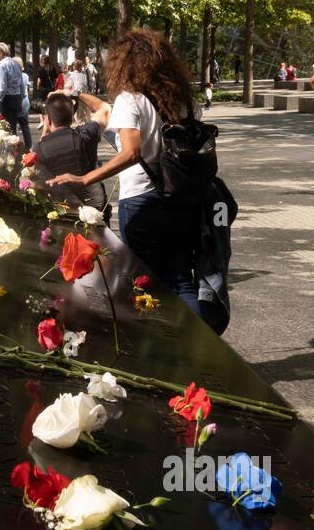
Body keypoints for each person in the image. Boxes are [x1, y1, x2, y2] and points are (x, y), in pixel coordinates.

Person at [47, 27, 229, 333]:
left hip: (143, 202)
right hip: (181, 199)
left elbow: (131, 152)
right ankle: (197, 347)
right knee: (180, 277)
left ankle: (152, 345)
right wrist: (75, 95)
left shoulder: (131, 100)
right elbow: (104, 111)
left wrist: (85, 177)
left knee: (137, 280)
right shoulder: (182, 101)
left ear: (124, 63)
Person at [36, 92, 109, 216]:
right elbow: (105, 109)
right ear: (71, 116)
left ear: (47, 120)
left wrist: (45, 129)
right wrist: (76, 93)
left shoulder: (39, 149)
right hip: (95, 211)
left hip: (64, 213)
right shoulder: (86, 135)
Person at [0, 42, 24, 131]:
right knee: (13, 127)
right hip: (16, 98)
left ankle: (11, 144)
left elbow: (2, 88)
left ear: (1, 52)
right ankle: (15, 144)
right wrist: (21, 98)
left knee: (6, 129)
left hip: (7, 99)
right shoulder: (16, 64)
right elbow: (21, 84)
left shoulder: (2, 66)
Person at [14, 55, 34, 151]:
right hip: (25, 103)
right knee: (25, 127)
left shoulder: (13, 77)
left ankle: (14, 148)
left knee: (13, 127)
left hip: (17, 103)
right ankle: (29, 147)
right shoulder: (25, 76)